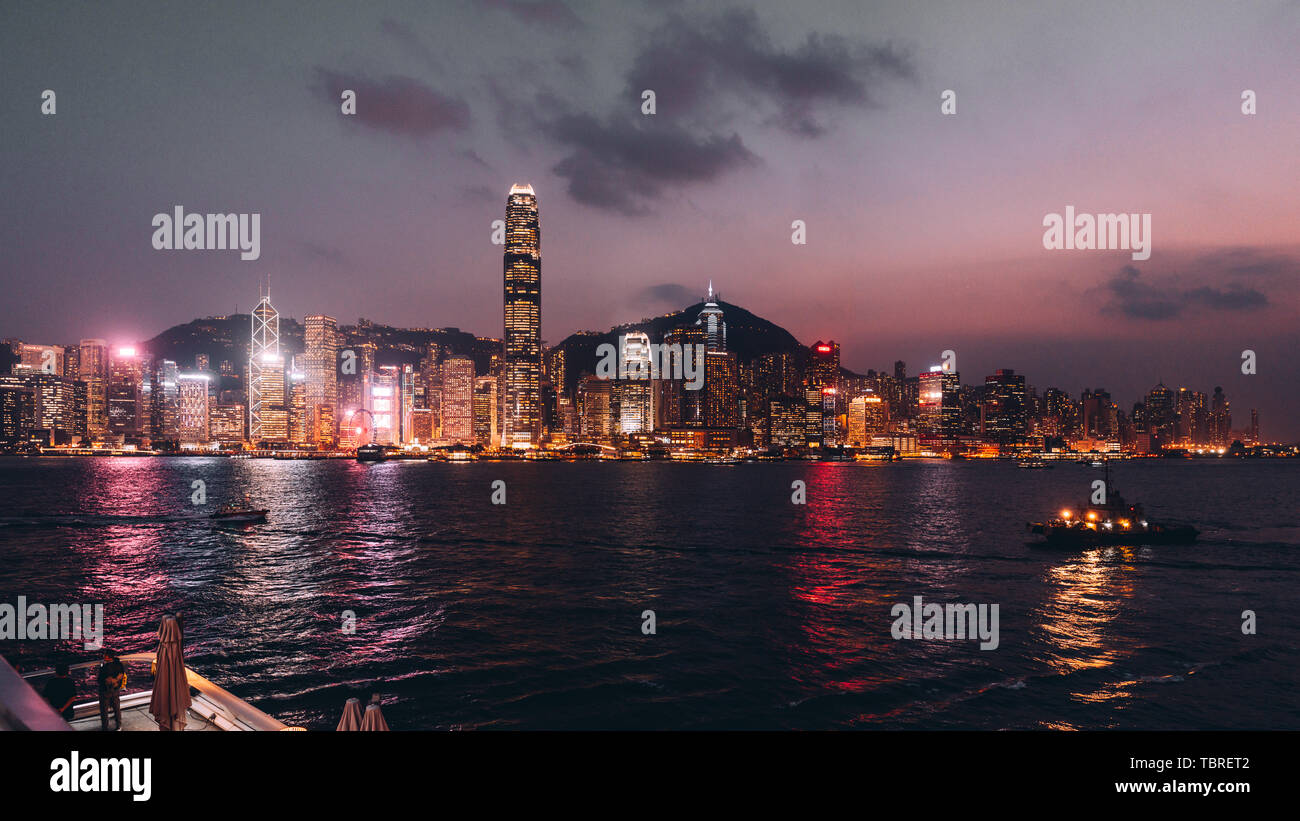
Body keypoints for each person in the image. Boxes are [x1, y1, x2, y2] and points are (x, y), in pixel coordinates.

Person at [97, 649, 126, 731]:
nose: (103, 656)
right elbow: (121, 674)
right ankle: (119, 725)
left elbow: (100, 680)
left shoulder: (104, 668)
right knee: (117, 708)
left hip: (105, 691)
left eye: (105, 655)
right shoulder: (119, 664)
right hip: (115, 690)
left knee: (104, 711)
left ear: (108, 657)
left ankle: (105, 727)